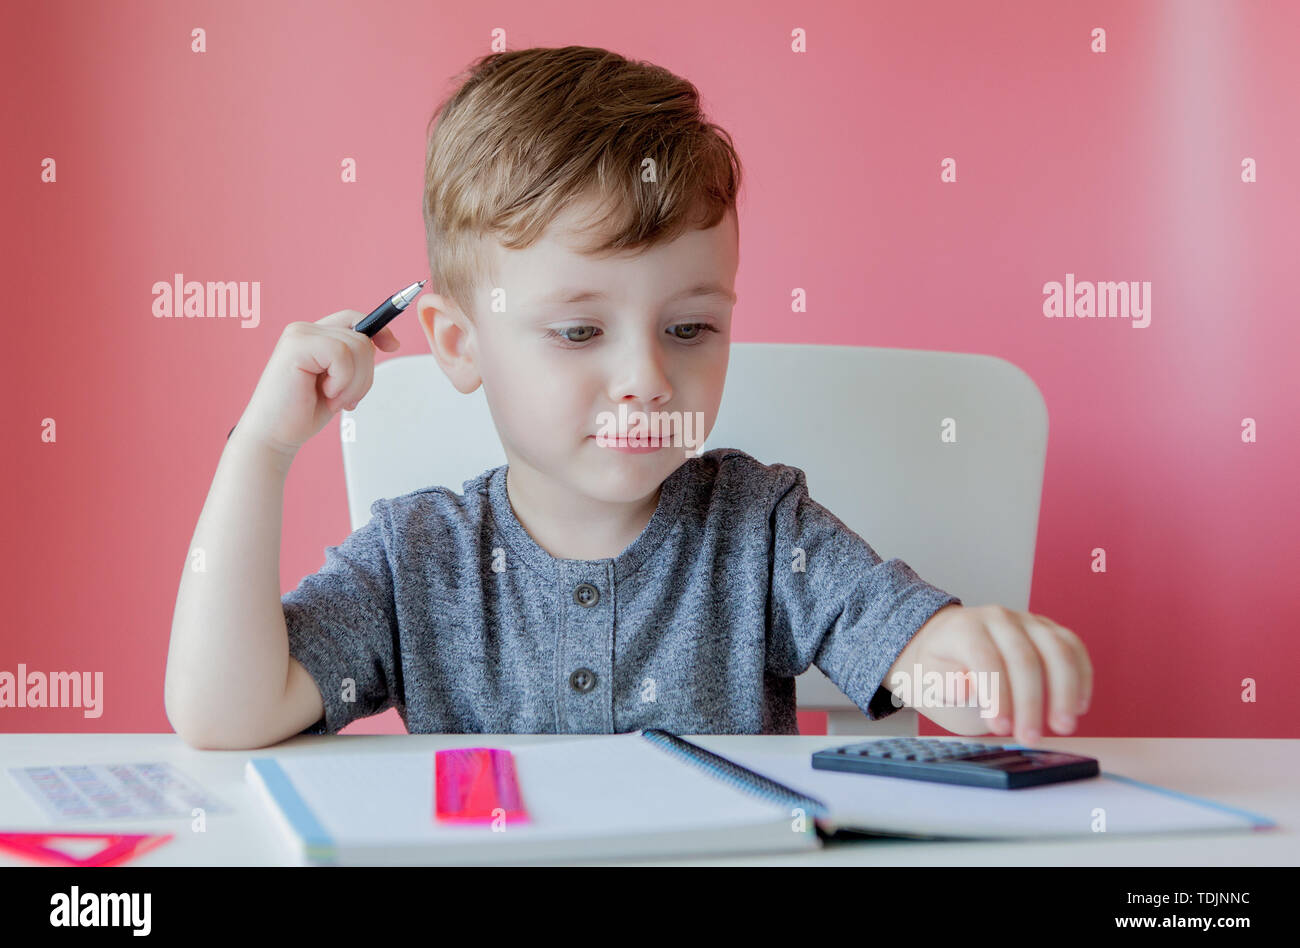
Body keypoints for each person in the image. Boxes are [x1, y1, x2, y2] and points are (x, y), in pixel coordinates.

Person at [165, 46, 1091, 749]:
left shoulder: (763, 529)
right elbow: (222, 711)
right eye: (578, 332)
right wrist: (261, 450)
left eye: (690, 328)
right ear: (459, 344)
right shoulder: (420, 561)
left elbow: (898, 639)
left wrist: (967, 658)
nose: (650, 378)